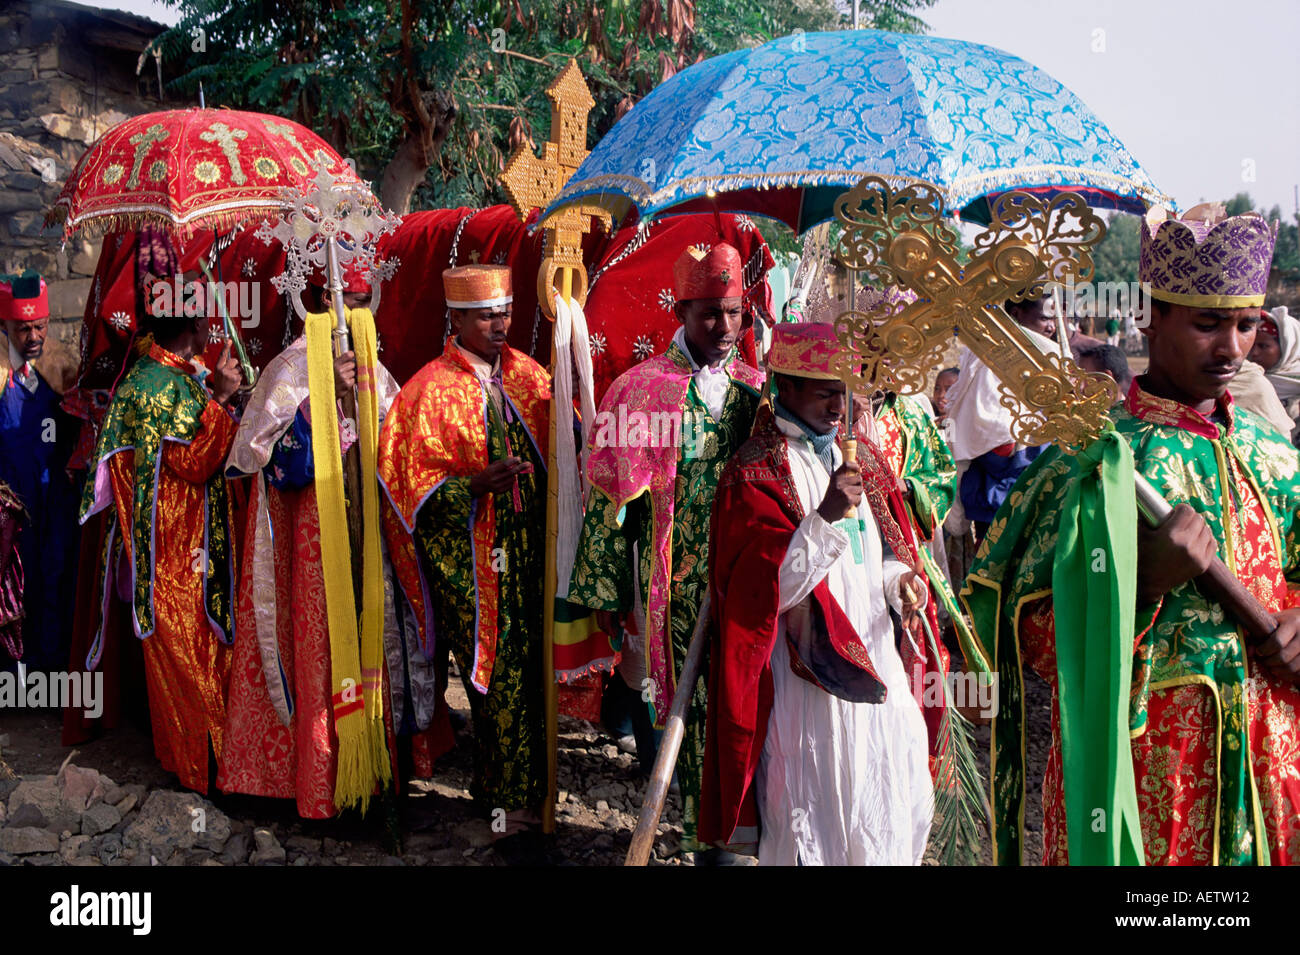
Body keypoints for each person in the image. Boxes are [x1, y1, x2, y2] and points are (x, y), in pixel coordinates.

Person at [963, 202, 1300, 865]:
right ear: (1151, 315)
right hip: (1143, 777)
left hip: (1270, 767)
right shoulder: (1091, 460)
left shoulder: (1274, 453)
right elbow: (1018, 630)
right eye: (1207, 323)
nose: (1230, 347)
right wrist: (1139, 578)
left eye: (1244, 324)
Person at [700, 322, 939, 865]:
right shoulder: (755, 470)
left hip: (877, 659)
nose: (839, 403)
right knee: (816, 810)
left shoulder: (868, 463)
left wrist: (900, 581)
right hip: (807, 678)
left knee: (894, 793)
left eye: (845, 389)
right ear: (785, 387)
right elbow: (766, 593)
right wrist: (825, 517)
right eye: (824, 389)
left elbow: (885, 555)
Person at [567, 242, 764, 861]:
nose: (726, 328)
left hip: (743, 582)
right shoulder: (640, 392)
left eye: (735, 312)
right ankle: (695, 826)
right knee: (678, 700)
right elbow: (608, 502)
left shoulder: (758, 393)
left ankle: (736, 833)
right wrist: (606, 594)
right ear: (680, 309)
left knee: (741, 701)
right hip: (670, 584)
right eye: (710, 313)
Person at [220, 265, 435, 817]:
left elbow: (398, 448)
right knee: (316, 651)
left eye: (361, 302)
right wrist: (319, 404)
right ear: (315, 303)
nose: (350, 315)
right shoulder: (289, 368)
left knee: (371, 640)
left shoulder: (375, 371)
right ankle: (316, 781)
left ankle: (373, 771)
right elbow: (257, 461)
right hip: (308, 546)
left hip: (366, 537)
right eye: (341, 301)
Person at [378, 264, 550, 851]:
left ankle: (533, 789)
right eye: (486, 315)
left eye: (505, 312)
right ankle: (508, 800)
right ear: (455, 319)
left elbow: (563, 448)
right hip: (474, 565)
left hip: (531, 555)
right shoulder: (427, 391)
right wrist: (474, 488)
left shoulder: (529, 377)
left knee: (533, 670)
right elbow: (407, 491)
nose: (501, 324)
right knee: (495, 677)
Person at [78, 227, 242, 794]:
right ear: (195, 325)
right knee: (190, 663)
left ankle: (206, 764)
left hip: (183, 551)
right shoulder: (155, 387)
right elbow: (195, 463)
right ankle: (205, 771)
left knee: (193, 658)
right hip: (175, 558)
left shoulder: (163, 377)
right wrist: (220, 401)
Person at [0, 271, 80, 672]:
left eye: (39, 326)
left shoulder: (62, 366)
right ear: (5, 326)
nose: (33, 336)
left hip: (54, 498)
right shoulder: (1, 375)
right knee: (12, 584)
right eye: (22, 328)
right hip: (9, 502)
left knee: (54, 576)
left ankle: (52, 670)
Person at [946, 297, 1064, 543]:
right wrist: (1014, 454)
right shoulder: (993, 360)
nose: (1051, 327)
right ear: (1017, 313)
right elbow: (984, 425)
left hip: (1041, 486)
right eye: (1045, 318)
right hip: (1003, 490)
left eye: (1054, 319)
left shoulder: (1048, 357)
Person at [1248, 306, 1300, 441]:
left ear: (1287, 348)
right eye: (1252, 345)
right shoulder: (1245, 381)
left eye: (1263, 346)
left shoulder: (1296, 385)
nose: (1254, 353)